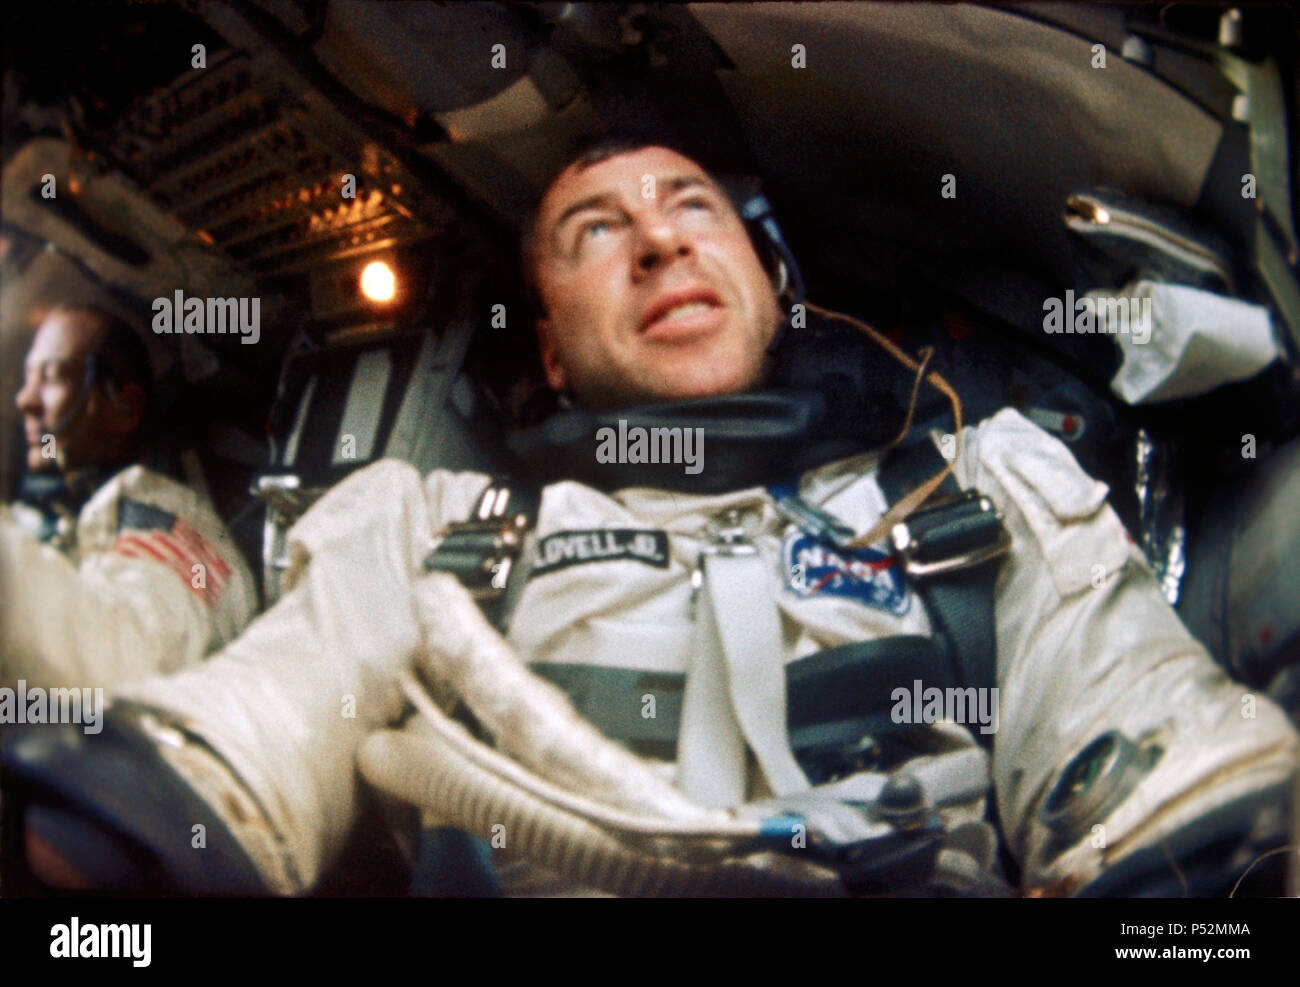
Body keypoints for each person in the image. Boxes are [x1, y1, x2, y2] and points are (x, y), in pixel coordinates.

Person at [4, 142, 1296, 897]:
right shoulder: (426, 523)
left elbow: (1171, 762)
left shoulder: (981, 486)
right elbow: (256, 727)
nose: (660, 245)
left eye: (693, 210)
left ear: (767, 284)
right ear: (553, 349)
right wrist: (129, 836)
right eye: (593, 230)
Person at [1, 305, 256, 691]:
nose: (25, 400)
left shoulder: (171, 523)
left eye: (51, 376)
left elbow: (120, 653)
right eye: (27, 378)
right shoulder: (46, 518)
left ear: (125, 408)